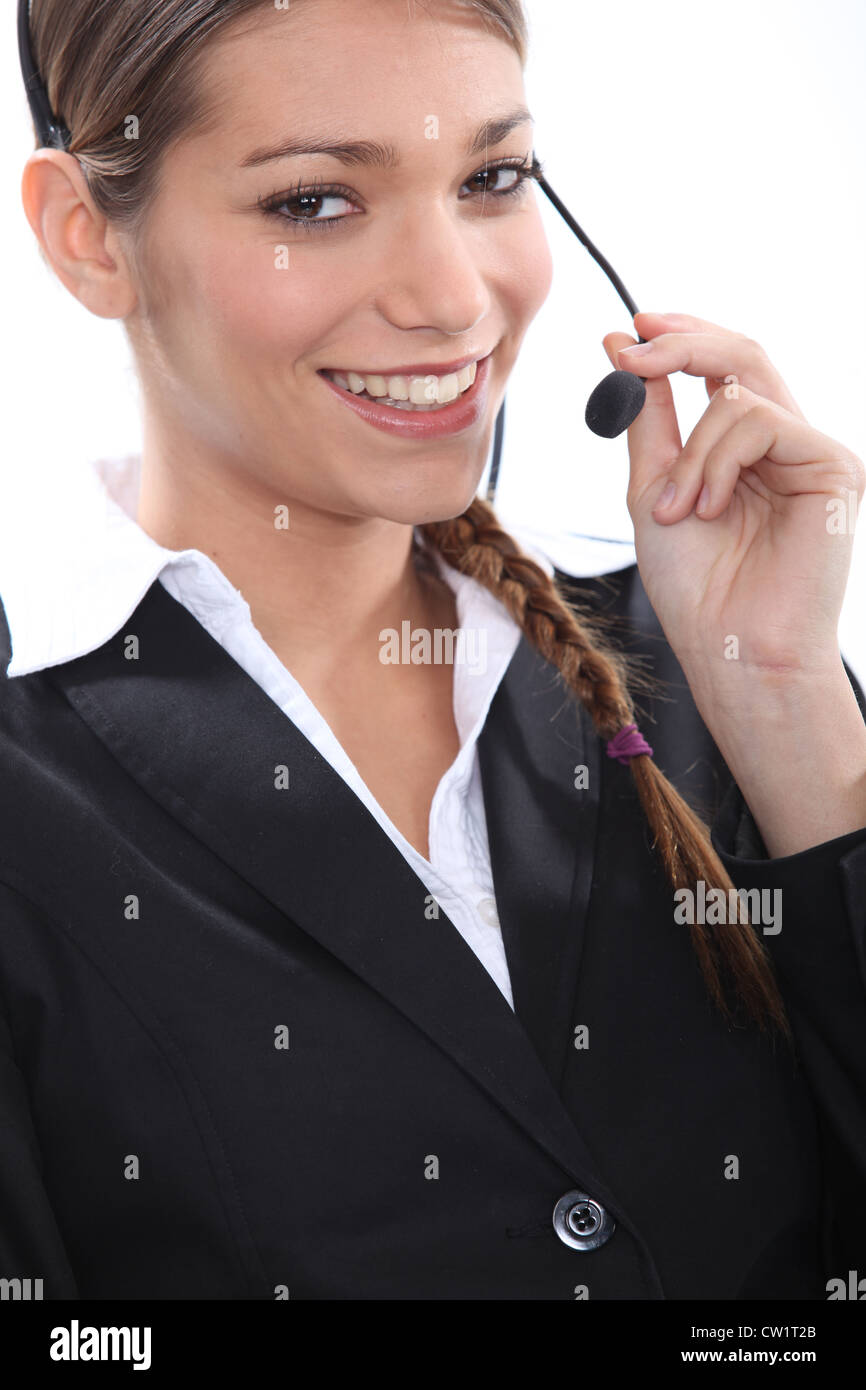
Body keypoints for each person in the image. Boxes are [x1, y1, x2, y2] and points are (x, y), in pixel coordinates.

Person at [2, 0, 865, 1301]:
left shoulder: (699, 663)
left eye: (490, 177)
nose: (453, 296)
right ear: (88, 238)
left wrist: (793, 710)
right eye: (312, 201)